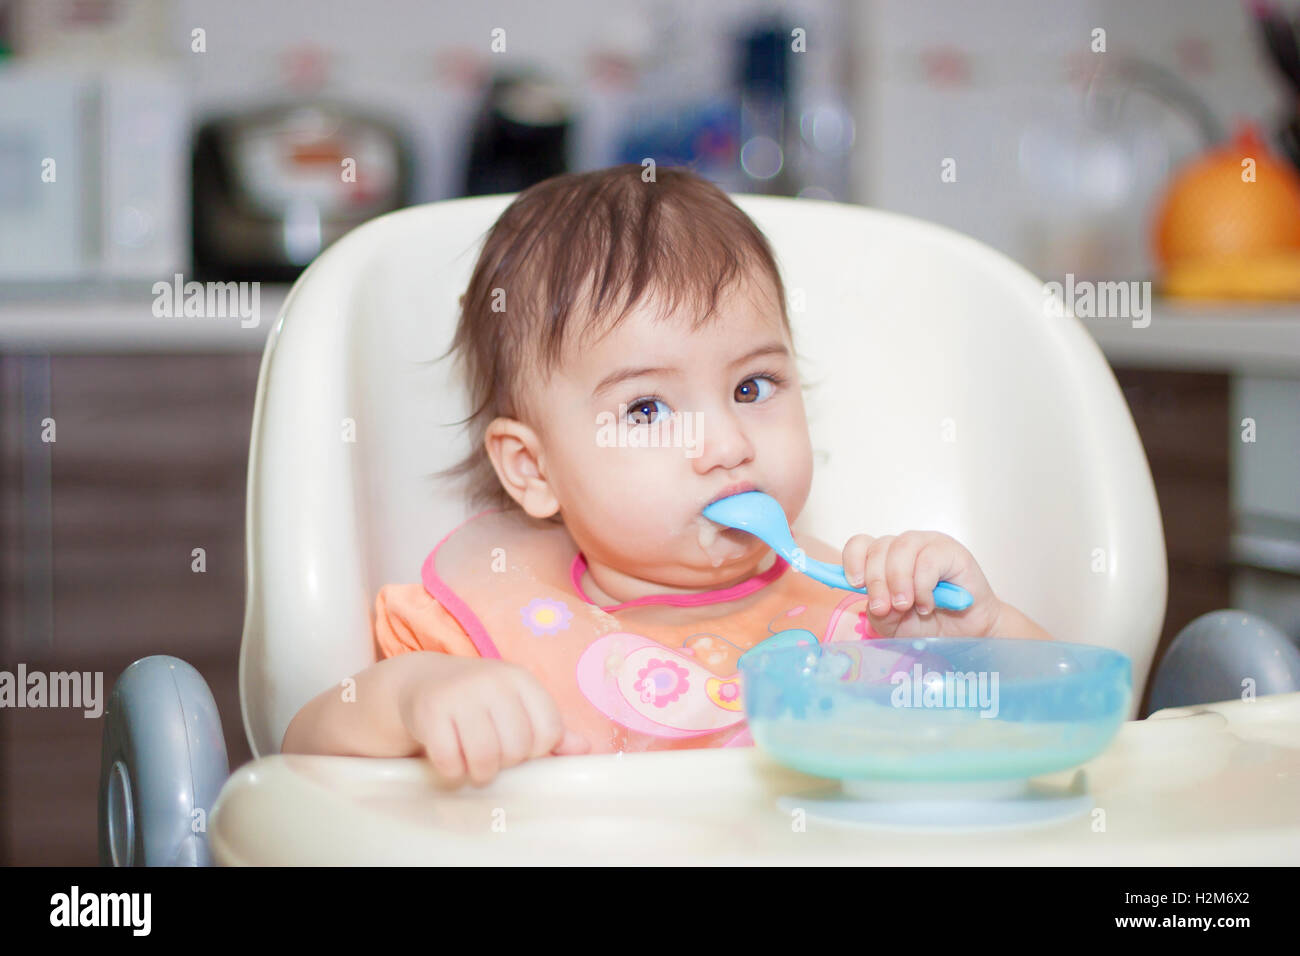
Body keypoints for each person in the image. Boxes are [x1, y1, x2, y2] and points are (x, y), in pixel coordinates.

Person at [281, 164, 1053, 787]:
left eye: (753, 388)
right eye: (648, 409)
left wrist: (978, 638)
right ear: (533, 469)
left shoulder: (864, 616)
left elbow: (1065, 730)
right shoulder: (484, 634)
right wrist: (418, 700)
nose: (725, 444)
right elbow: (302, 752)